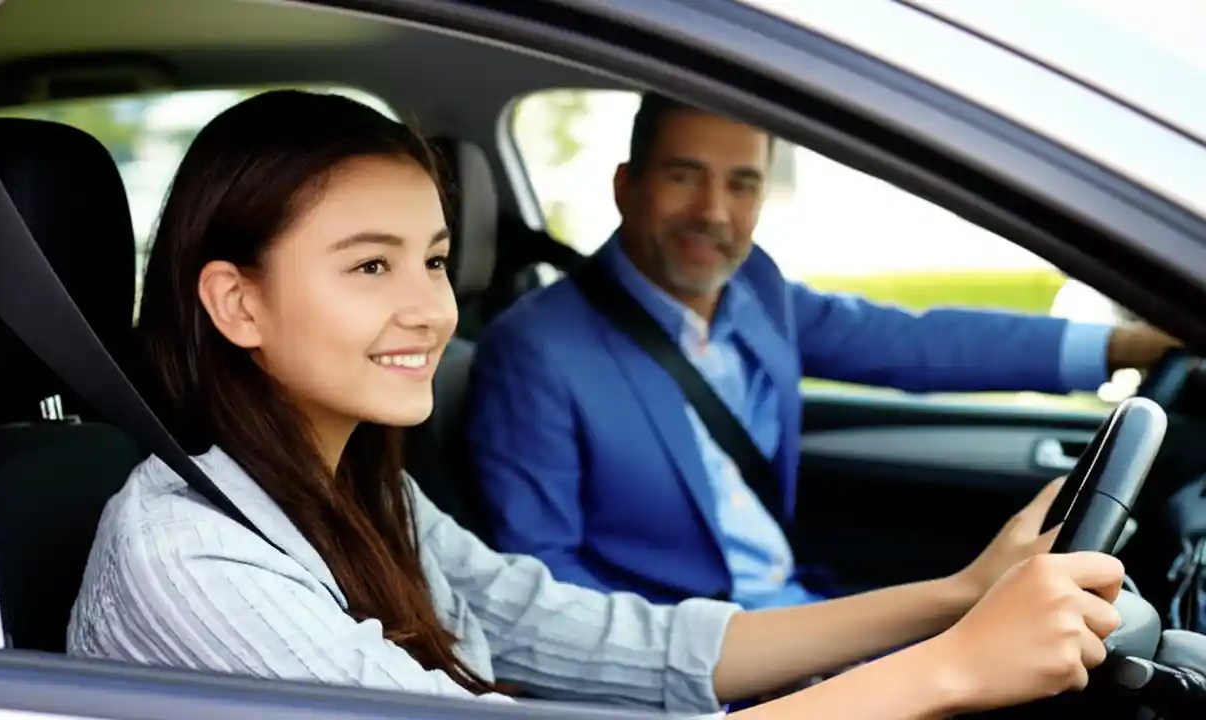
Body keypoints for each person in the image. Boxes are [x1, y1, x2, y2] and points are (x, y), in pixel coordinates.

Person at [67, 89, 1125, 719]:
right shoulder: (188, 555)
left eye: (432, 260)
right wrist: (945, 672)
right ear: (237, 303)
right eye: (370, 267)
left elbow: (602, 638)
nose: (431, 309)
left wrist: (952, 599)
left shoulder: (354, 490)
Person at [467, 92, 1179, 610]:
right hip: (692, 667)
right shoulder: (535, 350)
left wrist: (1123, 345)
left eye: (742, 183)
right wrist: (722, 665)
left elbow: (913, 342)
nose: (713, 211)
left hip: (800, 607)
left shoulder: (756, 288)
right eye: (684, 175)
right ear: (627, 186)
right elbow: (545, 582)